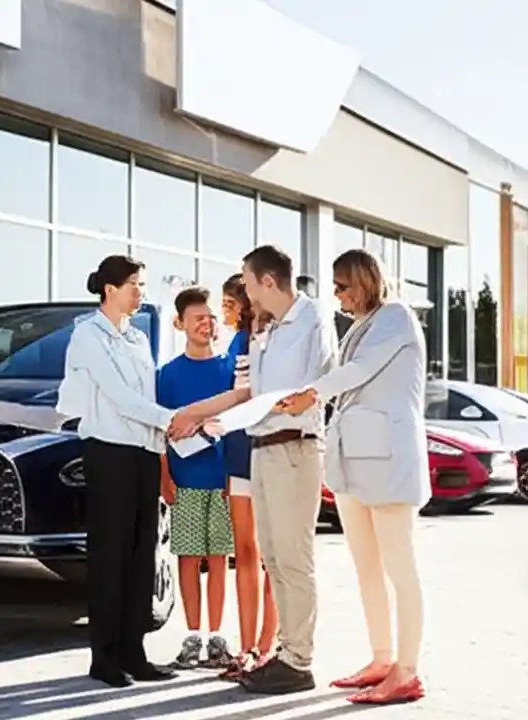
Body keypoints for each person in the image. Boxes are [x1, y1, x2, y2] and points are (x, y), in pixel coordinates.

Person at [275, 248, 430, 705]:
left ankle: (407, 670)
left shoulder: (396, 316)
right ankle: (382, 658)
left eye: (342, 286)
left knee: (400, 569)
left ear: (364, 280)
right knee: (367, 569)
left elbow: (359, 372)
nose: (338, 295)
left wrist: (310, 395)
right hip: (355, 461)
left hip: (388, 461)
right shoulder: (360, 325)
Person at [62, 254, 213, 688]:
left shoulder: (137, 338)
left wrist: (164, 436)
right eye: (136, 285)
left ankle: (134, 651)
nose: (142, 292)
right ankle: (104, 656)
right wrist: (175, 419)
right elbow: (120, 398)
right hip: (109, 453)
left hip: (144, 453)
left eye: (143, 285)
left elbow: (145, 394)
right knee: (110, 557)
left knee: (141, 558)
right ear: (110, 289)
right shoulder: (88, 336)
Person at [234, 244, 337, 695]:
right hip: (262, 447)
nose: (246, 292)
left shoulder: (313, 319)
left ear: (268, 281)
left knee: (294, 559)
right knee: (272, 556)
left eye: (248, 282)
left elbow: (327, 376)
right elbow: (254, 393)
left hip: (295, 448)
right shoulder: (268, 329)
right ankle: (285, 650)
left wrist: (310, 395)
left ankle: (299, 660)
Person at [157, 287, 235, 671]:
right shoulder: (167, 375)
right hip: (184, 482)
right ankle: (191, 638)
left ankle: (217, 639)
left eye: (211, 317)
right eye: (198, 317)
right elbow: (158, 431)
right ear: (180, 323)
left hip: (222, 483)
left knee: (218, 559)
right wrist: (164, 477)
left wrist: (233, 478)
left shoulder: (228, 370)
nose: (207, 323)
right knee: (187, 560)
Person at [216, 274, 279, 680]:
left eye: (227, 300)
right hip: (238, 455)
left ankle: (269, 645)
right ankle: (248, 648)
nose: (223, 308)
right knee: (247, 553)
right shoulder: (237, 341)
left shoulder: (272, 336)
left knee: (274, 554)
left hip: (272, 451)